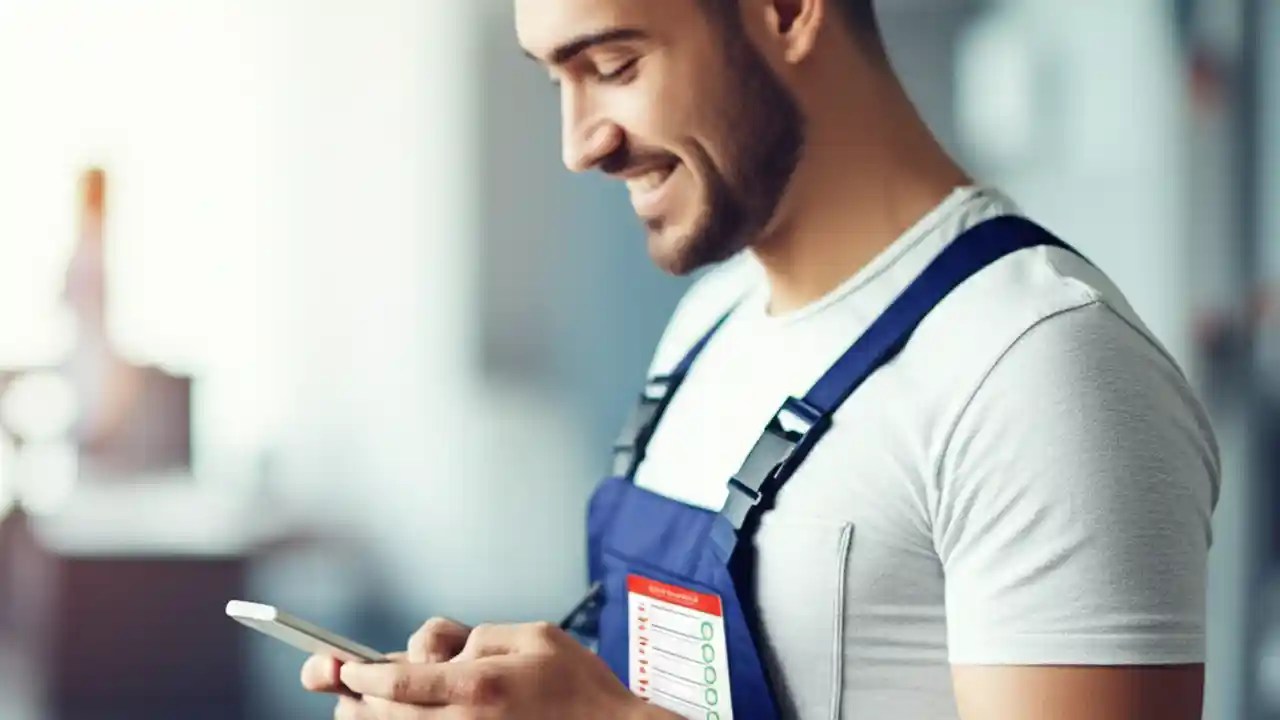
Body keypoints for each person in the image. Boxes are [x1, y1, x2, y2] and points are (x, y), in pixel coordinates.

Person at [303, 0, 1221, 717]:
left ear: (786, 10)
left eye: (615, 66)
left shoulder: (1040, 370)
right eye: (558, 81)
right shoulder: (713, 320)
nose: (580, 142)